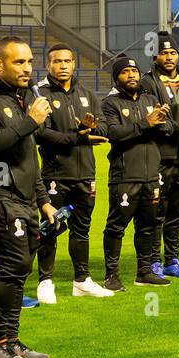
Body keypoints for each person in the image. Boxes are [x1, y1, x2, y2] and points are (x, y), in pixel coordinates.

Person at [0, 37, 59, 358]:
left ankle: (11, 339)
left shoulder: (24, 99)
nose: (26, 68)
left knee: (20, 268)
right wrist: (30, 122)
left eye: (29, 61)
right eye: (18, 62)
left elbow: (27, 157)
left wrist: (44, 202)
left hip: (23, 197)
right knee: (13, 267)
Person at [33, 43, 112, 302]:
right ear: (49, 64)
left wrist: (91, 128)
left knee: (82, 229)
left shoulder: (87, 94)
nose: (63, 66)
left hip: (85, 174)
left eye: (67, 61)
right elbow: (41, 134)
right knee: (50, 227)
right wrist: (77, 137)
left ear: (74, 63)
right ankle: (45, 281)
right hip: (55, 175)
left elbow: (104, 130)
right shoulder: (40, 95)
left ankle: (82, 280)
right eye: (57, 61)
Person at [100, 54, 171, 289]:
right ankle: (111, 275)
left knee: (148, 226)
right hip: (125, 176)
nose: (131, 75)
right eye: (124, 72)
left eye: (134, 71)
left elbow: (168, 128)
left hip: (151, 176)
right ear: (116, 77)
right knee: (116, 226)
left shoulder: (151, 99)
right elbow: (113, 134)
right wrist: (145, 123)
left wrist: (161, 122)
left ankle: (144, 272)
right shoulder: (110, 103)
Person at [140, 30, 179, 280]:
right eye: (164, 53)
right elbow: (153, 120)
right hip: (158, 157)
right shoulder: (148, 82)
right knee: (156, 213)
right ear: (155, 56)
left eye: (173, 52)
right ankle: (154, 261)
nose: (169, 57)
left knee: (177, 213)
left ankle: (172, 260)